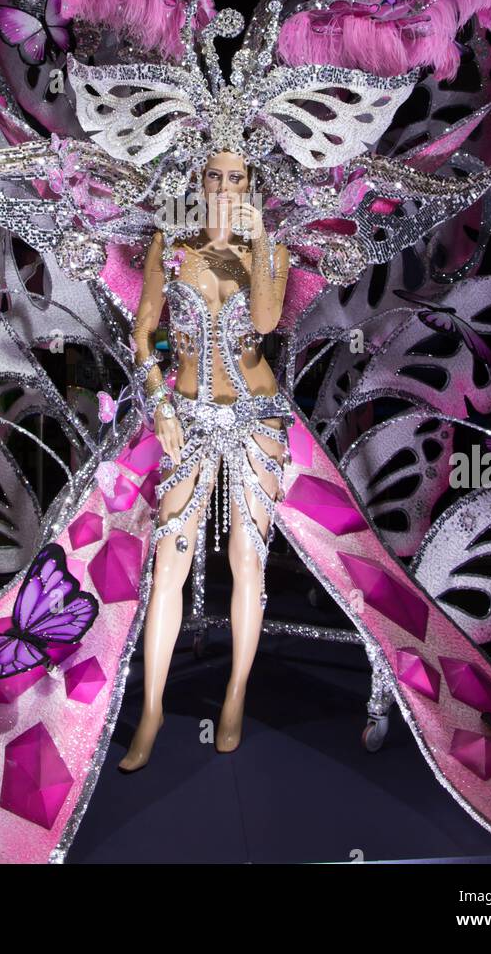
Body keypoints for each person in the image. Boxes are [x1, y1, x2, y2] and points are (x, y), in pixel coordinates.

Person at [120, 153, 290, 769]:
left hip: (256, 415)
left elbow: (268, 320)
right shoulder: (172, 233)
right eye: (214, 175)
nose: (224, 187)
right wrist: (160, 403)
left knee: (249, 559)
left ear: (253, 182)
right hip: (186, 413)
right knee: (169, 561)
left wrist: (263, 237)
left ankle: (236, 695)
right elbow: (143, 333)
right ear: (199, 178)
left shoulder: (270, 246)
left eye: (238, 176)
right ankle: (153, 710)